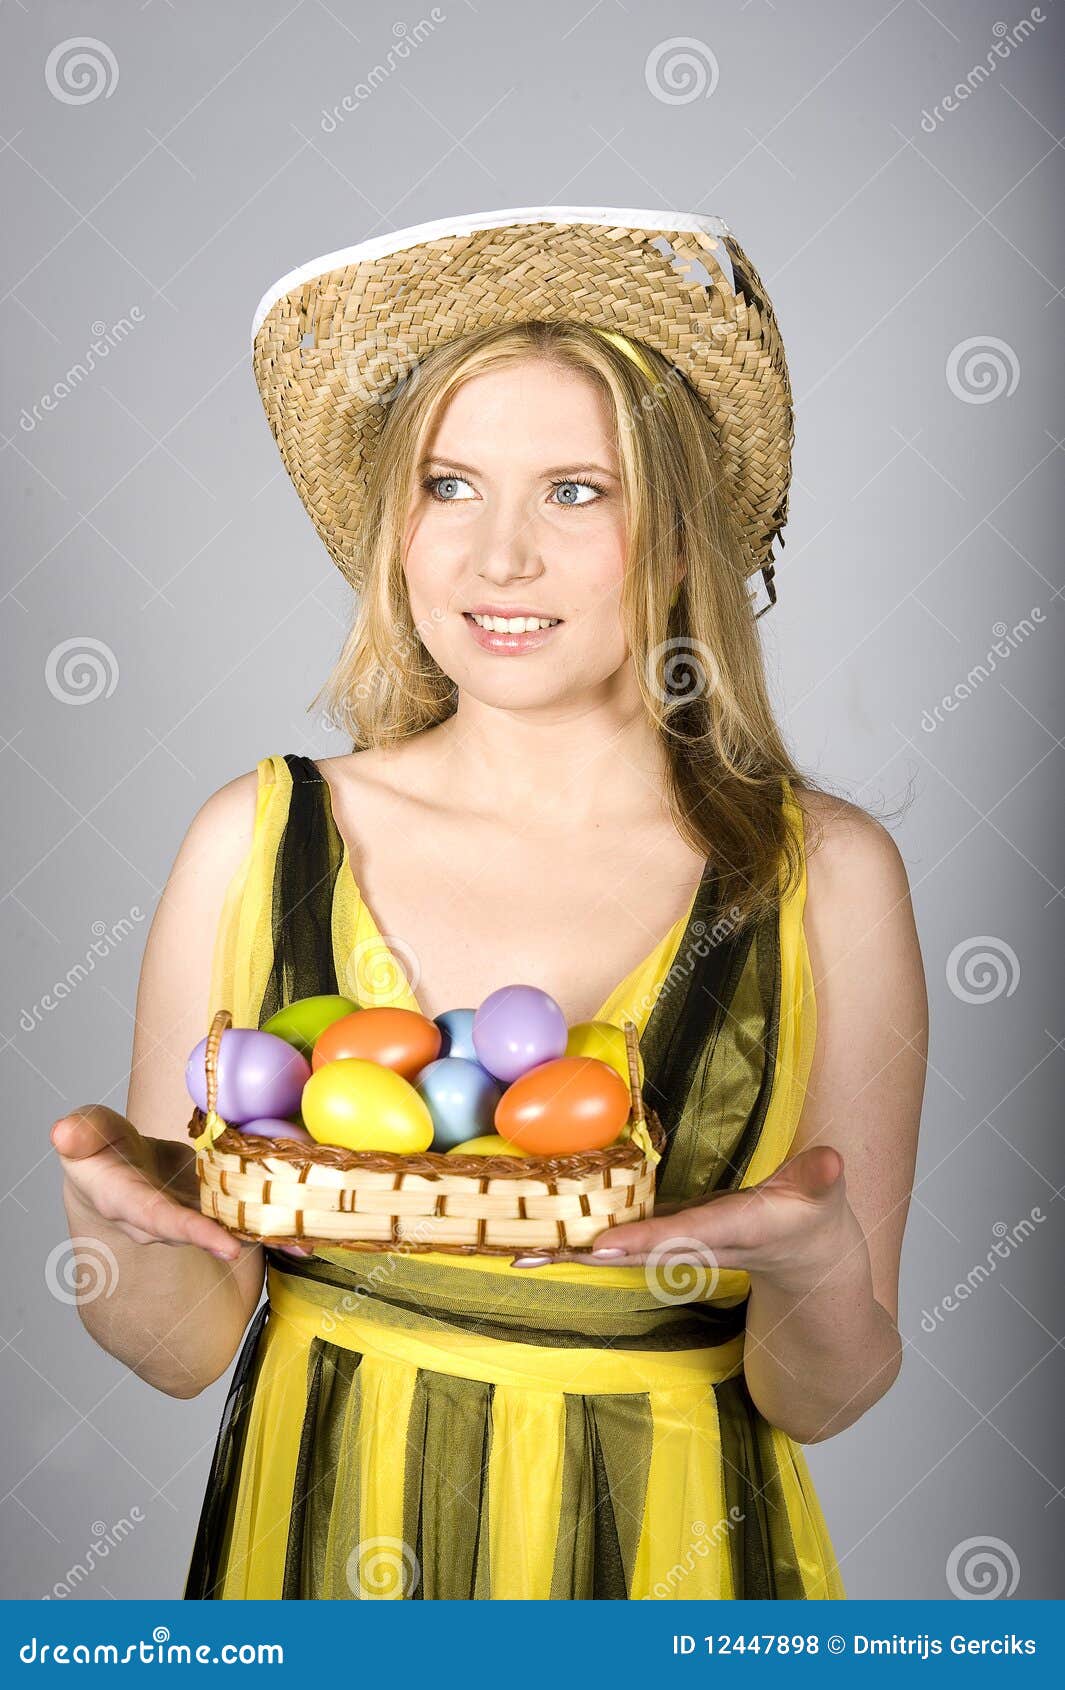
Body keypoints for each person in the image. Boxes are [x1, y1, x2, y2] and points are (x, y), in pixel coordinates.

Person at [49, 209, 927, 1600]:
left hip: (671, 1570)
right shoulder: (257, 844)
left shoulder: (824, 877)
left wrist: (817, 1267)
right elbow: (184, 1348)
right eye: (449, 486)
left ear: (679, 540)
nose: (498, 556)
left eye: (576, 491)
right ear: (396, 532)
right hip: (325, 1554)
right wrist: (118, 1234)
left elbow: (825, 1394)